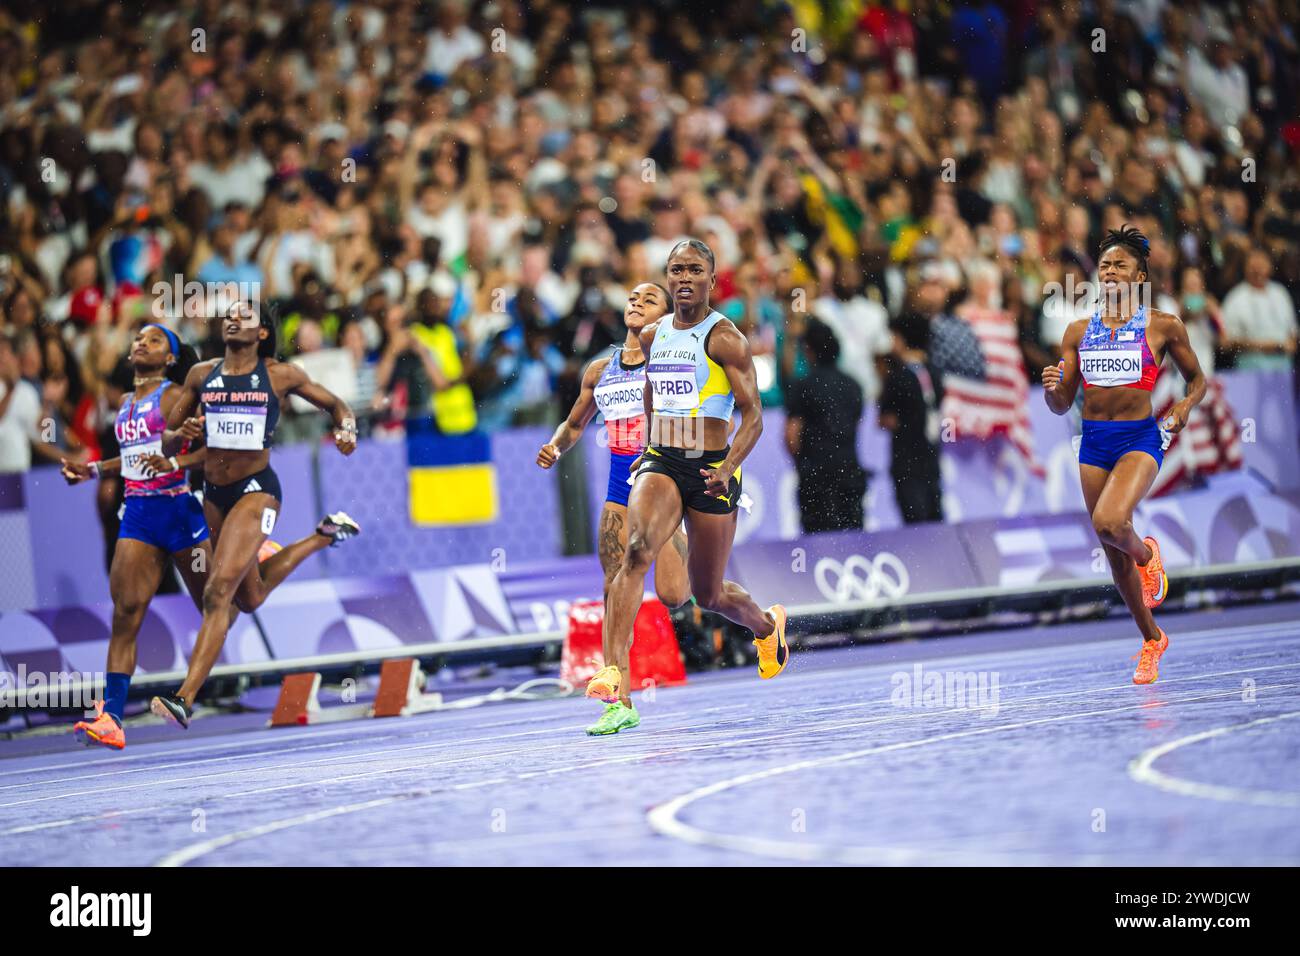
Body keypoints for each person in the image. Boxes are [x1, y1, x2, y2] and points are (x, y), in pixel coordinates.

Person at [63, 324, 359, 748]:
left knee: (236, 598)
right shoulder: (127, 404)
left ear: (170, 358)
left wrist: (181, 451)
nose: (141, 342)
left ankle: (305, 542)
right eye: (138, 338)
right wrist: (93, 470)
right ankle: (110, 716)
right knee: (126, 611)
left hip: (183, 514)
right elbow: (134, 457)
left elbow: (206, 447)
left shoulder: (174, 393)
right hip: (140, 516)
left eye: (154, 340)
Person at [590, 239, 788, 736]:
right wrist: (651, 448)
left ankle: (767, 628)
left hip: (713, 468)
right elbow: (655, 388)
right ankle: (617, 688)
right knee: (634, 552)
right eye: (676, 269)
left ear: (711, 278)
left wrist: (728, 468)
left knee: (707, 594)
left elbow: (754, 417)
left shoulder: (725, 340)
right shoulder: (655, 335)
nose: (683, 277)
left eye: (694, 270)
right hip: (662, 461)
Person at [151, 301, 361, 728]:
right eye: (229, 313)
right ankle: (324, 534)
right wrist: (181, 435)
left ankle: (184, 698)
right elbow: (166, 445)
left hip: (257, 492)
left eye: (244, 315)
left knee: (217, 593)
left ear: (262, 333)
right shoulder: (200, 375)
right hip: (213, 494)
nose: (233, 318)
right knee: (250, 597)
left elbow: (337, 404)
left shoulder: (280, 375)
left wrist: (346, 428)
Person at [1042, 226, 1206, 684]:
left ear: (1139, 275)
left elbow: (1198, 380)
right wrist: (1053, 390)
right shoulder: (1077, 331)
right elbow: (1061, 406)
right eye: (1106, 264)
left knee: (1110, 524)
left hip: (1139, 439)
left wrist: (1184, 407)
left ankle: (1147, 555)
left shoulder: (1163, 325)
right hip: (1093, 443)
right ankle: (1152, 640)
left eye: (1121, 265)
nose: (1111, 271)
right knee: (1112, 555)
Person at [536, 281, 690, 735]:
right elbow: (575, 422)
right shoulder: (600, 369)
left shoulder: (670, 366)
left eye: (650, 299)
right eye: (633, 298)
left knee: (674, 594)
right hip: (619, 489)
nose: (637, 303)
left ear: (664, 317)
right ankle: (618, 698)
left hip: (662, 487)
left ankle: (708, 571)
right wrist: (556, 446)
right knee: (613, 588)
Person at [784, 319, 868, 533]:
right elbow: (856, 426)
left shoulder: (803, 385)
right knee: (853, 532)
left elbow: (792, 434)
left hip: (816, 474)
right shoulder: (853, 385)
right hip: (849, 470)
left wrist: (803, 464)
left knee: (818, 538)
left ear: (809, 350)